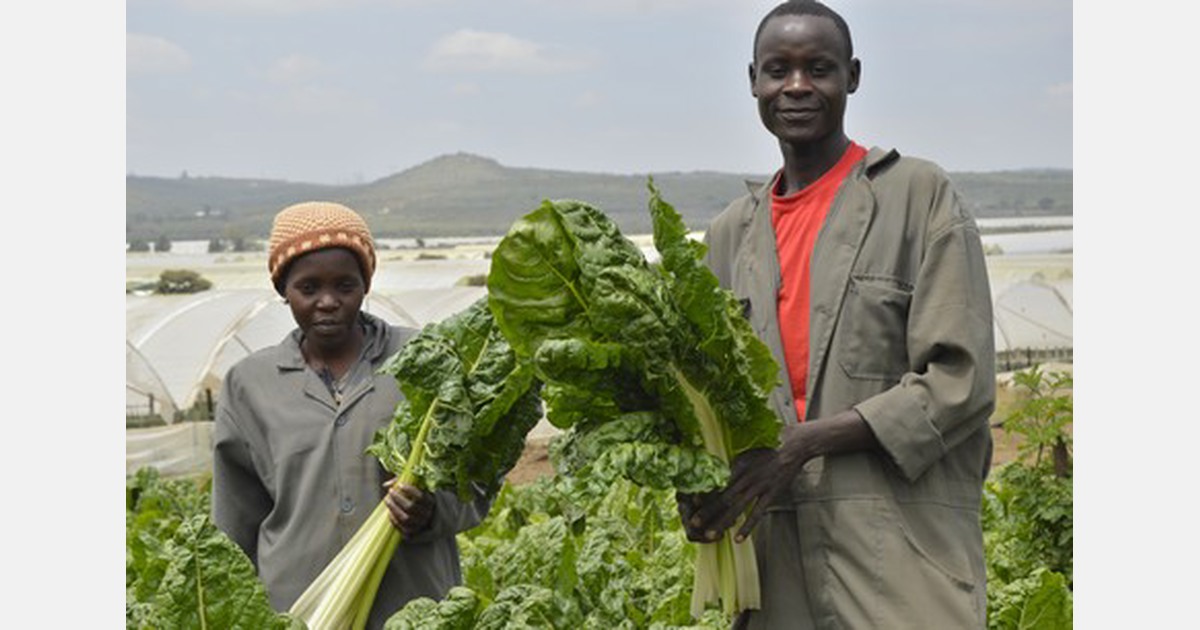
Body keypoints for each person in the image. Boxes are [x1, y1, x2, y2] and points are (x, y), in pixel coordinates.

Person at [679, 1, 996, 628]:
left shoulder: (916, 196)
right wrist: (697, 488)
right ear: (753, 82)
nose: (796, 87)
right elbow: (698, 404)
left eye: (817, 69)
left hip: (902, 549)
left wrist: (805, 443)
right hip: (770, 564)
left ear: (851, 76)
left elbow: (960, 379)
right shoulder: (727, 237)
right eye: (778, 70)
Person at [211, 201, 491, 629]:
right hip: (296, 612)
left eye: (345, 285)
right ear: (283, 289)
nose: (328, 302)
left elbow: (477, 479)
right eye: (308, 288)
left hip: (414, 608)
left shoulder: (426, 360)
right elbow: (234, 521)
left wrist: (433, 511)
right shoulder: (248, 384)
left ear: (366, 284)